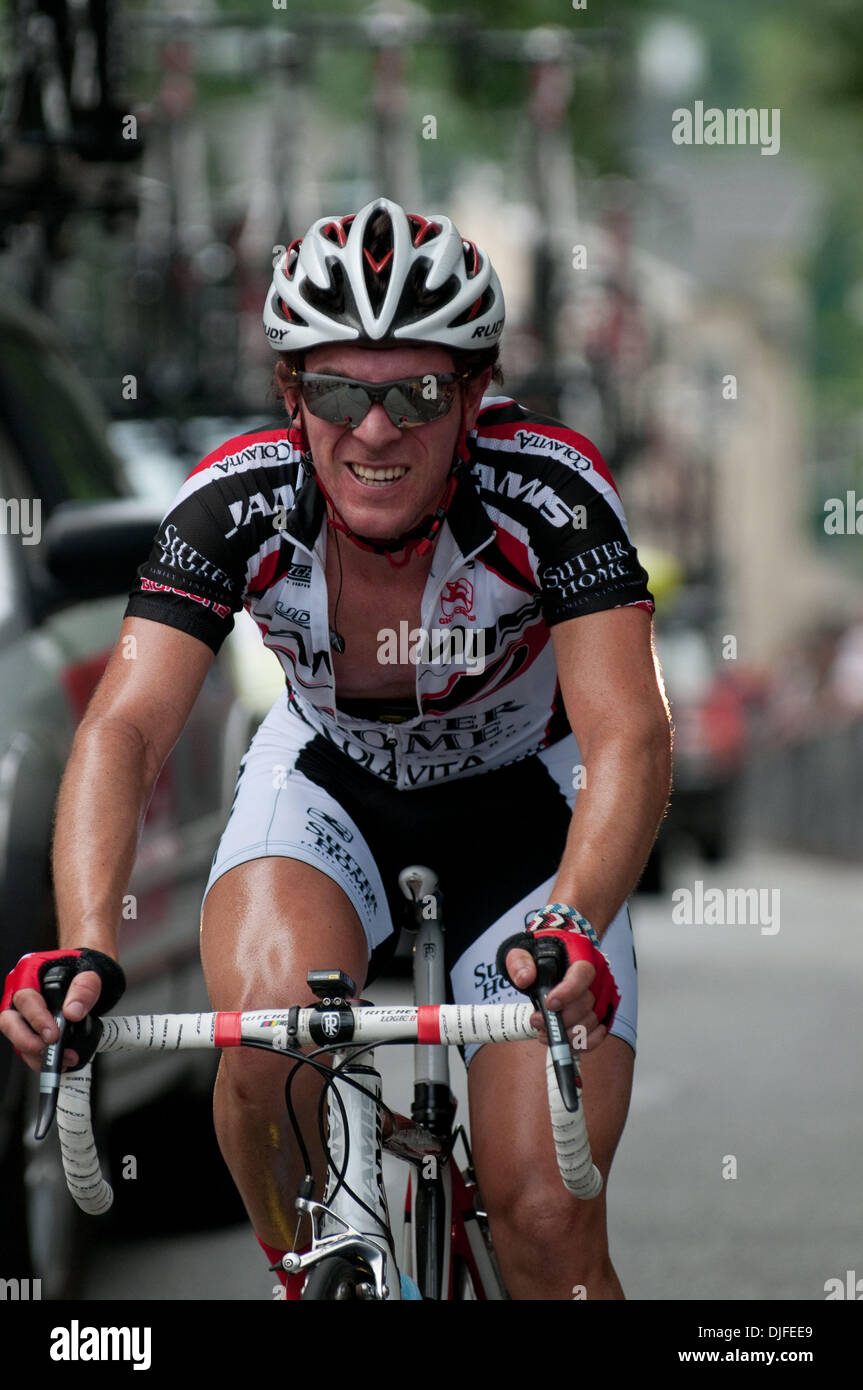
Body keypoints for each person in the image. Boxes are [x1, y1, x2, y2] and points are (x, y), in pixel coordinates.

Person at [1, 197, 671, 1300]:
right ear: (289, 395)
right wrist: (82, 942)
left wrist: (572, 921)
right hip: (330, 790)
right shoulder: (236, 502)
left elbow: (628, 730)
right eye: (336, 392)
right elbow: (123, 726)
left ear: (472, 393)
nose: (373, 431)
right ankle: (305, 1271)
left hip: (528, 815)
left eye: (415, 393)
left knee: (545, 1217)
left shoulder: (547, 491)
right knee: (267, 1044)